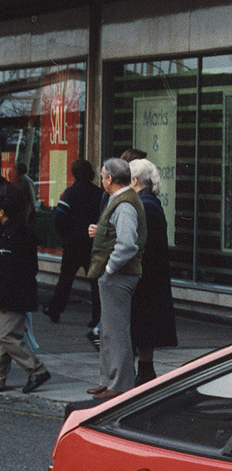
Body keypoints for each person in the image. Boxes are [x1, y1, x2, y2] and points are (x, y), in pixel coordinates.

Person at [85, 157, 146, 400]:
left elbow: (127, 244)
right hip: (116, 275)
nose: (101, 180)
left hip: (120, 275)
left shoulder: (124, 205)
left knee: (117, 331)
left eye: (102, 176)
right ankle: (109, 380)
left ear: (109, 178)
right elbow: (118, 235)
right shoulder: (120, 201)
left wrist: (109, 269)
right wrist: (99, 231)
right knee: (109, 331)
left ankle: (119, 385)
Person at [0, 194, 51, 393]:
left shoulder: (15, 234)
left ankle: (37, 370)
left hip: (14, 294)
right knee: (5, 336)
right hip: (13, 292)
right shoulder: (10, 231)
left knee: (7, 337)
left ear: (2, 212)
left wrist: (1, 296)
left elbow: (14, 270)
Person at [128, 158, 177, 385]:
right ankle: (144, 369)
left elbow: (139, 241)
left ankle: (143, 371)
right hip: (151, 274)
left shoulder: (143, 205)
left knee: (141, 324)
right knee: (143, 325)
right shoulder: (149, 202)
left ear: (135, 180)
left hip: (145, 275)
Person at [43, 159, 103, 326]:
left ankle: (55, 310)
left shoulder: (70, 193)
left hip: (72, 243)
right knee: (95, 281)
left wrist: (65, 234)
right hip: (92, 243)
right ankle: (97, 317)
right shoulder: (98, 193)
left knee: (66, 279)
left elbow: (59, 218)